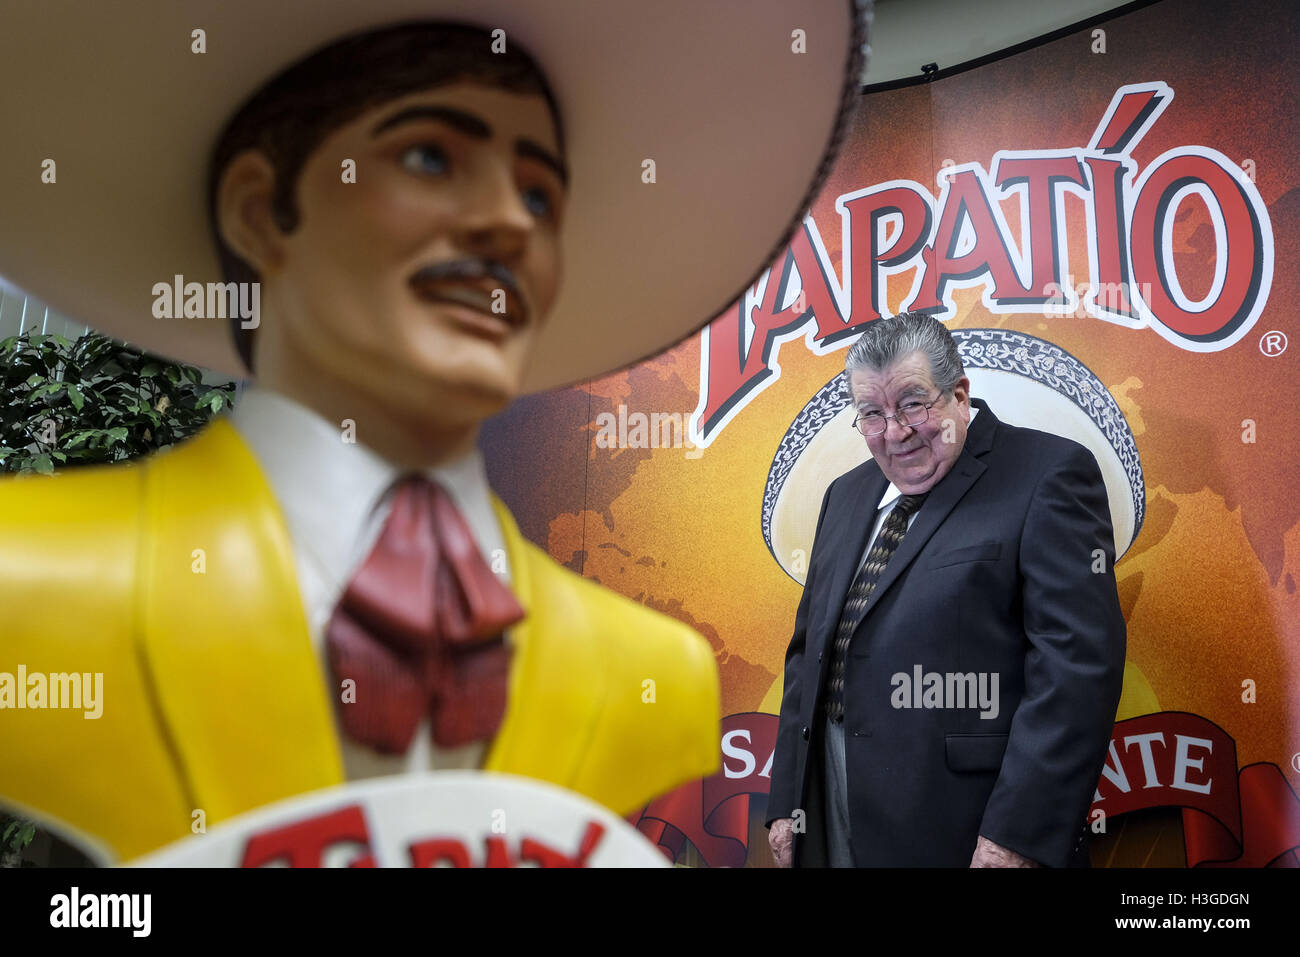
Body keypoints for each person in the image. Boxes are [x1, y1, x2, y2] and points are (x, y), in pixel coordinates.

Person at [0, 4, 865, 862]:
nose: (511, 224)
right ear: (258, 211)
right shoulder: (34, 582)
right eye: (429, 156)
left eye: (539, 193)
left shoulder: (654, 672)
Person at [765, 311, 1126, 867]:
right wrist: (788, 800)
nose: (896, 432)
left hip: (964, 822)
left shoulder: (1048, 474)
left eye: (913, 403)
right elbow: (805, 656)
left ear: (959, 392)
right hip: (827, 798)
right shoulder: (845, 495)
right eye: (872, 414)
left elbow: (1076, 671)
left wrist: (1017, 835)